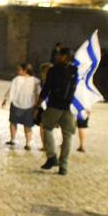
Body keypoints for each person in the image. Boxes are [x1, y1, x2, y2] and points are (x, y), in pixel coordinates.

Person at [39, 46, 79, 176]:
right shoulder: (75, 70)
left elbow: (47, 89)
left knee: (47, 128)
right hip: (69, 107)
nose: (57, 57)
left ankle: (51, 157)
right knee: (67, 136)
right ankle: (64, 166)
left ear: (63, 57)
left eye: (59, 55)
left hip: (55, 105)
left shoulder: (54, 70)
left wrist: (37, 104)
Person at [2, 63, 40, 150]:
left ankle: (13, 139)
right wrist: (37, 105)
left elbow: (11, 90)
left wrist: (5, 100)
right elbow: (38, 94)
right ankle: (28, 143)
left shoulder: (17, 79)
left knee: (13, 122)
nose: (17, 71)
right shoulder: (36, 81)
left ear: (25, 70)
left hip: (16, 104)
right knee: (27, 125)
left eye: (19, 69)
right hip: (30, 106)